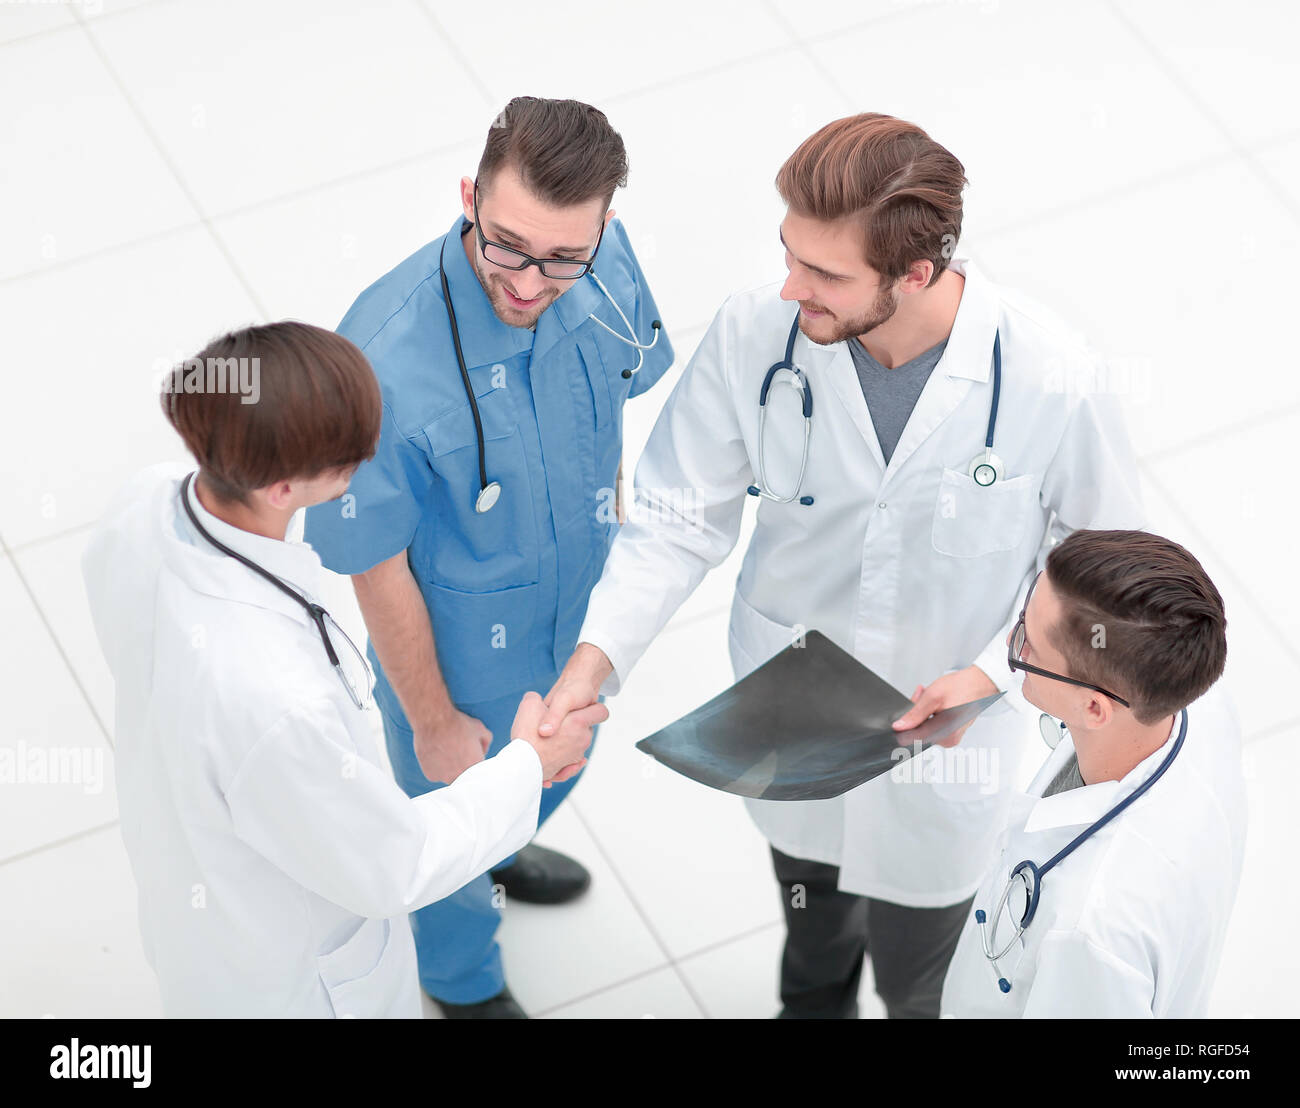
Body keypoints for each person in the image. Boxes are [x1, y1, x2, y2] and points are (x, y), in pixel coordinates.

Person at [542, 112, 1146, 1019]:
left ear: (918, 271)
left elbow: (1101, 575)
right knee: (812, 921)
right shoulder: (759, 335)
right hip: (791, 719)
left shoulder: (1048, 375)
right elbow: (675, 517)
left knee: (921, 971)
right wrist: (592, 667)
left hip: (953, 750)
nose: (790, 288)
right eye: (789, 254)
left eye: (824, 273)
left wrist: (992, 673)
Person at [81, 322, 604, 1018]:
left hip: (201, 875)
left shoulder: (145, 504)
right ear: (282, 487)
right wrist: (527, 766)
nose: (369, 457)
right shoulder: (275, 702)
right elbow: (396, 865)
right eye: (351, 457)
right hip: (294, 986)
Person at [303, 96, 673, 1018]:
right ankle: (459, 981)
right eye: (504, 244)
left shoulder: (607, 271)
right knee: (446, 843)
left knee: (546, 779)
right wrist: (431, 719)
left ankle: (505, 842)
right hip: (459, 661)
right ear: (468, 197)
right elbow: (371, 558)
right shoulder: (379, 357)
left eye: (562, 258)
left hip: (575, 623)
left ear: (604, 232)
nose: (527, 281)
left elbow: (623, 405)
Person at [940, 529, 1247, 1017]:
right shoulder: (1190, 702)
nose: (1013, 650)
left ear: (1094, 708)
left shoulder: (1089, 931)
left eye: (1027, 647)